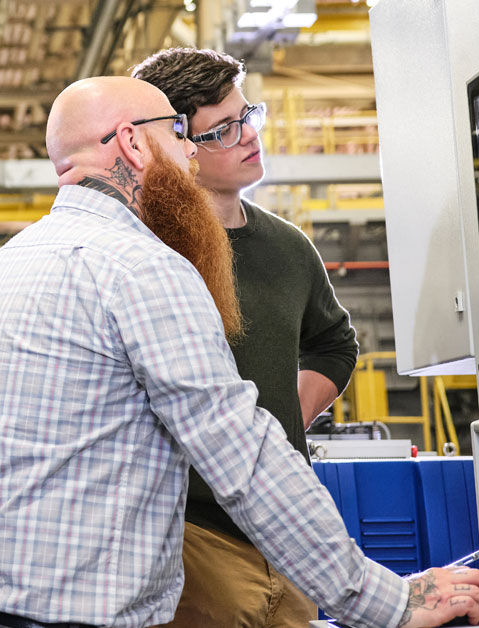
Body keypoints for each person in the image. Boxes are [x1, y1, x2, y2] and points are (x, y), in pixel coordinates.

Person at [0, 75, 479, 628]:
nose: (190, 152)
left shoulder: (2, 266)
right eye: (177, 133)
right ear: (132, 143)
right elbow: (243, 457)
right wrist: (389, 603)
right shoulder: (143, 269)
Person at [133, 46, 359, 626]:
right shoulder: (147, 257)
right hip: (191, 532)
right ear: (176, 147)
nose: (250, 136)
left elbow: (334, 344)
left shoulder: (287, 246)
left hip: (286, 526)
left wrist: (278, 424)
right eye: (223, 131)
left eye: (247, 115)